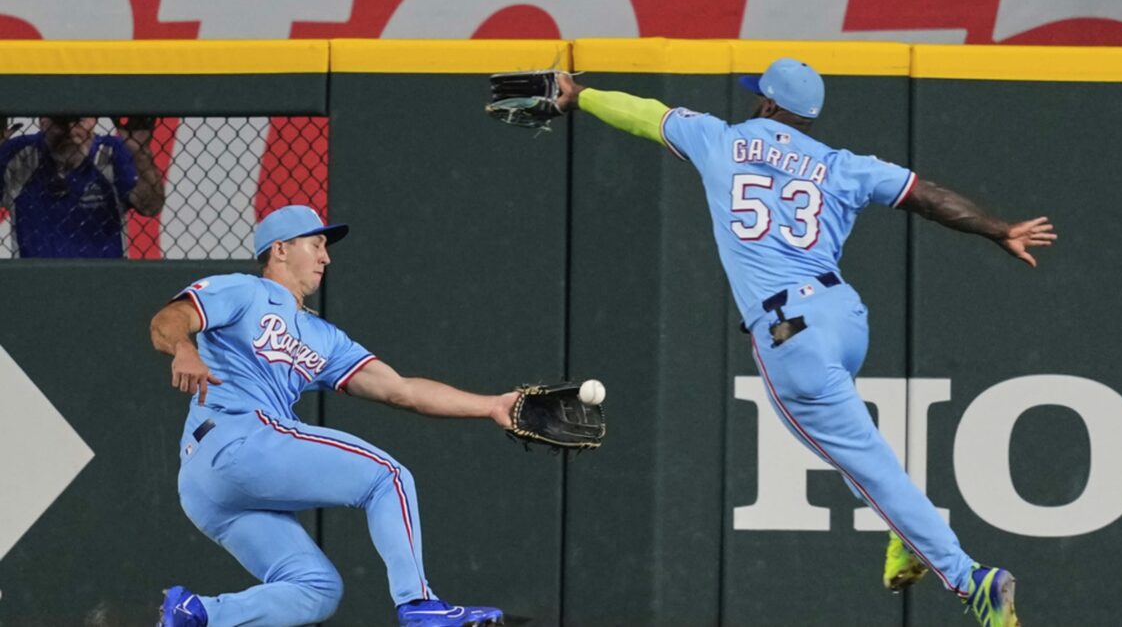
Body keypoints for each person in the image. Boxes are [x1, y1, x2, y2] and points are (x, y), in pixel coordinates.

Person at [554, 59, 1054, 627]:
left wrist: (580, 96)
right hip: (844, 317)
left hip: (791, 333)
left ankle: (971, 581)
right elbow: (928, 196)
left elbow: (645, 116)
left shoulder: (722, 139)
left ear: (767, 105)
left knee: (868, 462)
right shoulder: (843, 165)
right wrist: (1001, 229)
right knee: (854, 451)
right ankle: (910, 540)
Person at [149, 204, 513, 627]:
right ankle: (419, 604)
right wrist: (184, 348)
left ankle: (195, 614)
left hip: (215, 485)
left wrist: (491, 405)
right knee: (386, 476)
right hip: (235, 438)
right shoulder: (245, 291)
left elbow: (402, 391)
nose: (326, 257)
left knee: (315, 588)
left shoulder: (325, 338)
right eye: (317, 244)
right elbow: (168, 319)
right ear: (281, 249)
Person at [0, 115, 164, 258]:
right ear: (43, 121)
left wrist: (139, 153)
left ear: (93, 120)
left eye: (79, 122)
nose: (70, 132)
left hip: (105, 283)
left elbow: (151, 206)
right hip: (35, 283)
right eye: (61, 123)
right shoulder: (19, 154)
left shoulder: (111, 152)